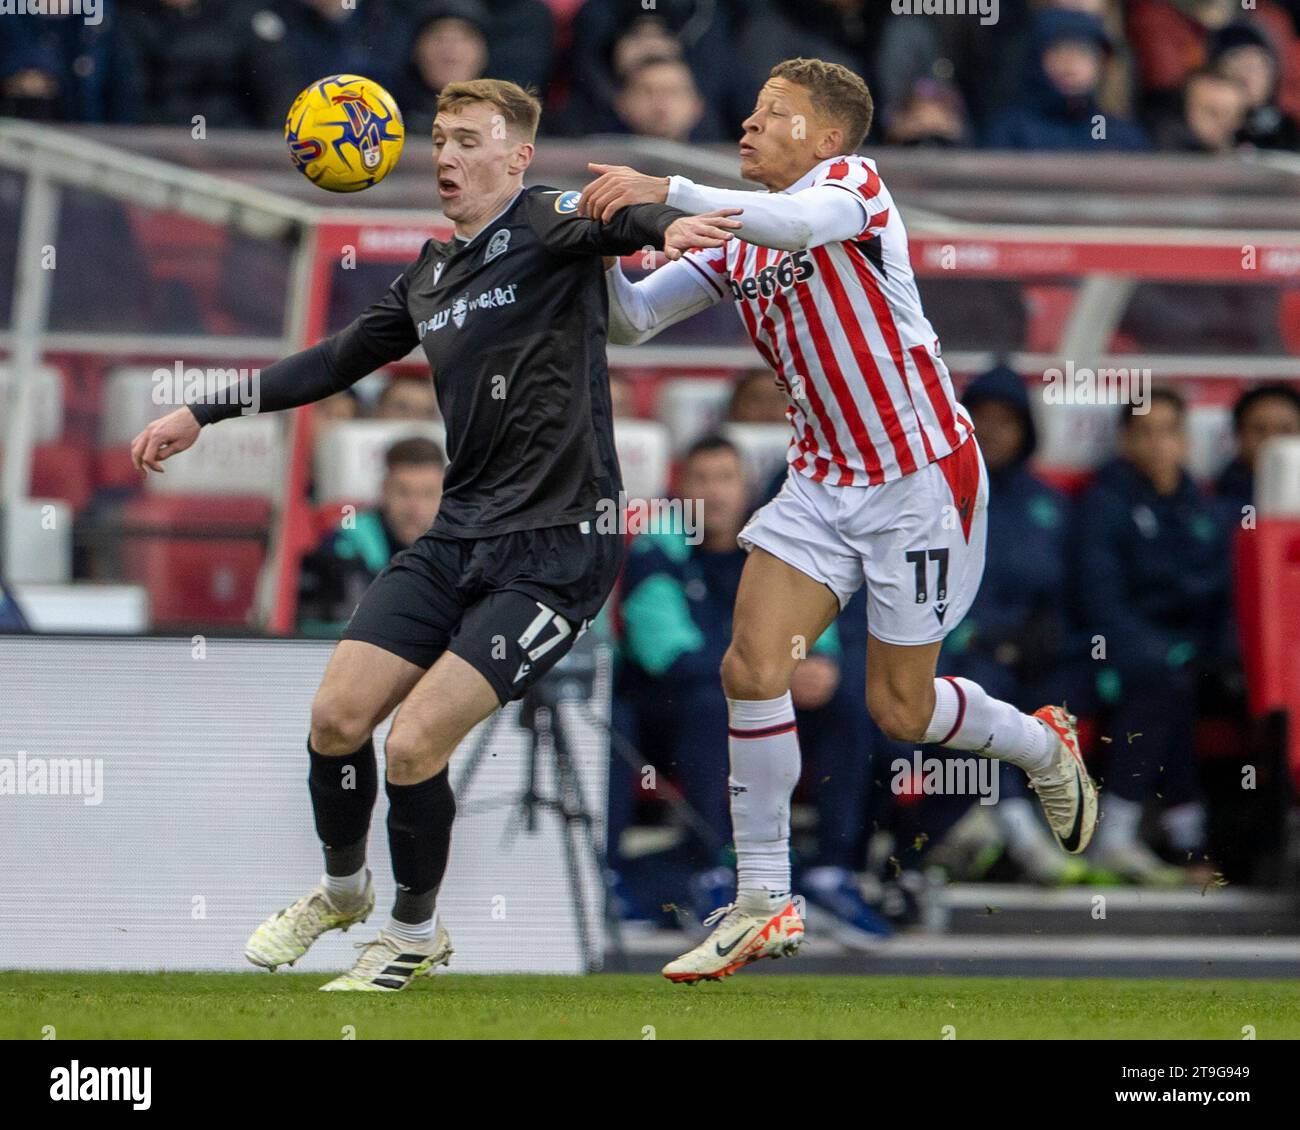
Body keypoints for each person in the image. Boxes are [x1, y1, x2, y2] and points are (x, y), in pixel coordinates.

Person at [129, 77, 737, 991]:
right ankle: (342, 894)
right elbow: (334, 362)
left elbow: (616, 216)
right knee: (337, 720)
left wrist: (666, 226)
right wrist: (204, 411)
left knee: (414, 743)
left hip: (558, 549)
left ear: (516, 155)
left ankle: (415, 933)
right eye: (439, 139)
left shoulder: (546, 220)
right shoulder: (430, 274)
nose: (444, 157)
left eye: (466, 140)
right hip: (458, 537)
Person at [580, 57, 1098, 983]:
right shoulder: (734, 240)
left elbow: (796, 223)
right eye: (748, 109)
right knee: (751, 665)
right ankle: (766, 900)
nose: (746, 124)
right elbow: (632, 323)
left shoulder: (850, 186)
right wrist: (599, 245)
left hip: (921, 478)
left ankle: (1037, 743)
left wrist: (664, 190)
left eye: (770, 114)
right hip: (822, 479)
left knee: (898, 708)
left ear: (823, 138)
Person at [1074, 389, 1232, 884]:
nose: (1157, 443)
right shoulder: (1102, 504)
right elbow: (1100, 599)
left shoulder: (1208, 510)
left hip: (1193, 657)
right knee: (1164, 684)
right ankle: (1169, 838)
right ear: (1124, 441)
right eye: (1144, 432)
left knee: (1179, 684)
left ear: (1185, 441)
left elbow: (1218, 596)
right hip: (1117, 652)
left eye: (1168, 431)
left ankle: (1142, 832)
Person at [299, 438, 446, 637]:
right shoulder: (346, 542)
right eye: (403, 492)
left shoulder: (463, 546)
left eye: (428, 494)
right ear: (384, 490)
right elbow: (321, 628)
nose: (415, 508)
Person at [983, 9, 1149, 151]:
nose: (1070, 63)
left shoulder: (1120, 135)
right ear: (1035, 59)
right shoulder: (1011, 132)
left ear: (1101, 64)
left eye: (1083, 52)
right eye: (1059, 51)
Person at [1215, 382, 1300, 514]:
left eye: (1285, 430)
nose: (1272, 440)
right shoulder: (1212, 502)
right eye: (1259, 429)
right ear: (1239, 435)